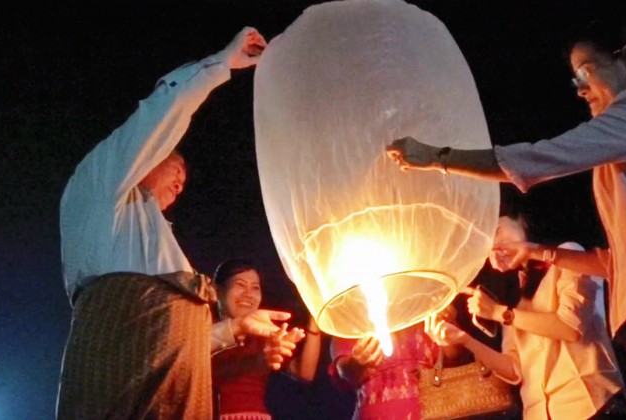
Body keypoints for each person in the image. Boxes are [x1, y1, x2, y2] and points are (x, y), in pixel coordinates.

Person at [386, 11, 626, 419]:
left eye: (587, 72)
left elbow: (541, 156)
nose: (581, 90)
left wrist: (436, 157)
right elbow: (614, 261)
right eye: (575, 80)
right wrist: (533, 252)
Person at [57, 27, 300, 419]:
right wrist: (222, 63)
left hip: (177, 391)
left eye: (185, 180)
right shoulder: (101, 186)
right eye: (176, 167)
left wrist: (235, 330)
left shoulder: (156, 240)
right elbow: (160, 115)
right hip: (118, 374)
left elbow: (169, 341)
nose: (180, 183)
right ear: (153, 152)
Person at [428, 210, 626, 420]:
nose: (494, 245)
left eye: (497, 231)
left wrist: (498, 312)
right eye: (487, 241)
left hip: (590, 404)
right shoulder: (516, 292)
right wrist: (465, 339)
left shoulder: (567, 254)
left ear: (522, 221)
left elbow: (570, 327)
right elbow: (515, 368)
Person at [210, 258, 322, 420]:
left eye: (255, 287)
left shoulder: (263, 336)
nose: (248, 294)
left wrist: (316, 316)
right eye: (240, 285)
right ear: (217, 291)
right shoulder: (201, 331)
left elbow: (304, 373)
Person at [329, 319, 456, 420]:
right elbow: (345, 372)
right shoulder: (350, 324)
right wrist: (357, 362)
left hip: (430, 410)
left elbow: (453, 358)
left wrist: (449, 324)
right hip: (376, 414)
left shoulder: (423, 309)